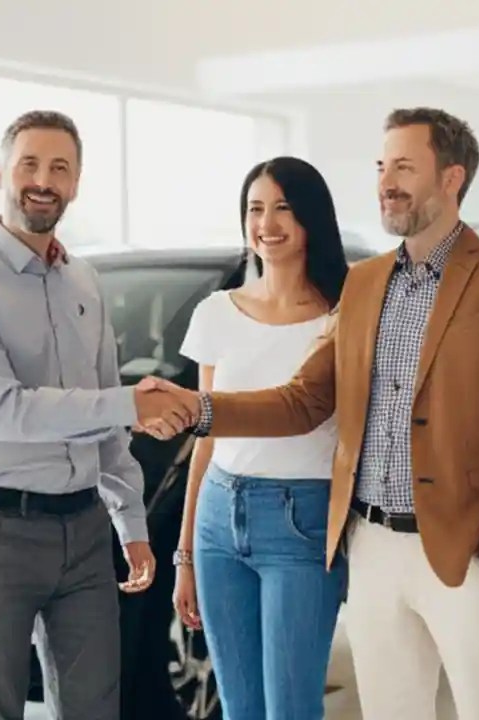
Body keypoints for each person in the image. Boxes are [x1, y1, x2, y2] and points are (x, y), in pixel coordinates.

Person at [142, 108, 479, 720]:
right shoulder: (365, 284)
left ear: (451, 179)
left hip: (466, 550)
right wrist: (197, 407)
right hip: (370, 547)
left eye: (404, 166)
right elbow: (304, 399)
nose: (386, 182)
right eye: (380, 167)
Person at [0, 110, 192, 720]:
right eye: (30, 165)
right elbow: (5, 411)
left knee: (95, 707)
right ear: (0, 174)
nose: (44, 180)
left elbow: (101, 417)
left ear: (75, 184)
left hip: (84, 532)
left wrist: (131, 521)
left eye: (60, 168)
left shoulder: (83, 281)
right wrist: (131, 402)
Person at [171, 157, 350, 720]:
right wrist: (185, 555)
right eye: (254, 208)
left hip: (302, 520)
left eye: (282, 207)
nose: (266, 223)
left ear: (311, 219)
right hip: (218, 517)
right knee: (239, 708)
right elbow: (206, 437)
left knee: (291, 710)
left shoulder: (342, 316)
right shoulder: (216, 313)